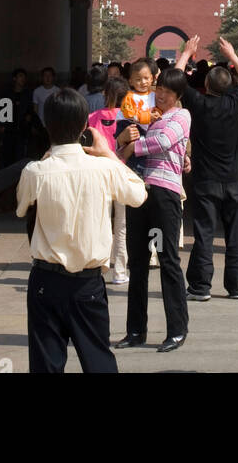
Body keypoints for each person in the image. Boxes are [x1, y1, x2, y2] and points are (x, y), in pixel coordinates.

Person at [16, 88, 147, 373]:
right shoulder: (102, 168)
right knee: (98, 360)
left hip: (45, 280)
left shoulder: (35, 171)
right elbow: (138, 194)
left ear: (46, 124)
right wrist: (108, 154)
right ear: (85, 127)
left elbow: (21, 207)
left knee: (45, 364)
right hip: (87, 282)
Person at [115, 68, 191, 352]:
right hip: (139, 191)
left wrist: (135, 146)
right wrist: (124, 140)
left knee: (169, 260)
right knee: (137, 261)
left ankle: (177, 330)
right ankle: (135, 331)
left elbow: (164, 141)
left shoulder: (180, 116)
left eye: (168, 93)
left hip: (164, 194)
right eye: (159, 89)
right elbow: (119, 147)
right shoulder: (142, 111)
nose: (160, 95)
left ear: (178, 96)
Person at [173, 34, 238, 301]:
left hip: (206, 180)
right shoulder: (237, 101)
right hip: (234, 180)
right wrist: (232, 55)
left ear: (205, 84)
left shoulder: (200, 104)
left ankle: (200, 286)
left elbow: (174, 80)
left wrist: (186, 54)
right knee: (235, 234)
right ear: (230, 85)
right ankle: (236, 286)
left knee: (205, 233)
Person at [87, 75, 131, 283]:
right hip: (121, 174)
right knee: (121, 226)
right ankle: (120, 272)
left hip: (99, 175)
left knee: (101, 223)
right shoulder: (129, 118)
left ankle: (99, 268)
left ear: (105, 93)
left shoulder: (93, 117)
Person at [1, 67, 33, 165]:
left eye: (24, 77)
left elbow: (31, 109)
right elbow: (2, 110)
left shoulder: (27, 94)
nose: (23, 79)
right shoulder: (7, 94)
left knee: (20, 156)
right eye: (20, 76)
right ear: (14, 78)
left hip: (22, 131)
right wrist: (2, 125)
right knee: (8, 156)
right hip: (9, 130)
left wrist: (29, 119)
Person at [120, 57, 158, 127]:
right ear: (131, 81)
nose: (143, 82)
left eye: (146, 78)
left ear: (152, 79)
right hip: (135, 130)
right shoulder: (129, 97)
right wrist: (147, 117)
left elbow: (158, 108)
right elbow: (128, 113)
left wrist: (158, 113)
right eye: (138, 79)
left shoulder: (154, 95)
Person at [32, 67, 60, 133]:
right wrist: (34, 124)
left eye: (49, 75)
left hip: (54, 124)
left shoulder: (58, 91)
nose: (47, 78)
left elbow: (60, 109)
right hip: (41, 125)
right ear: (42, 77)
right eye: (45, 75)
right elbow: (35, 109)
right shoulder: (37, 91)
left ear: (53, 77)